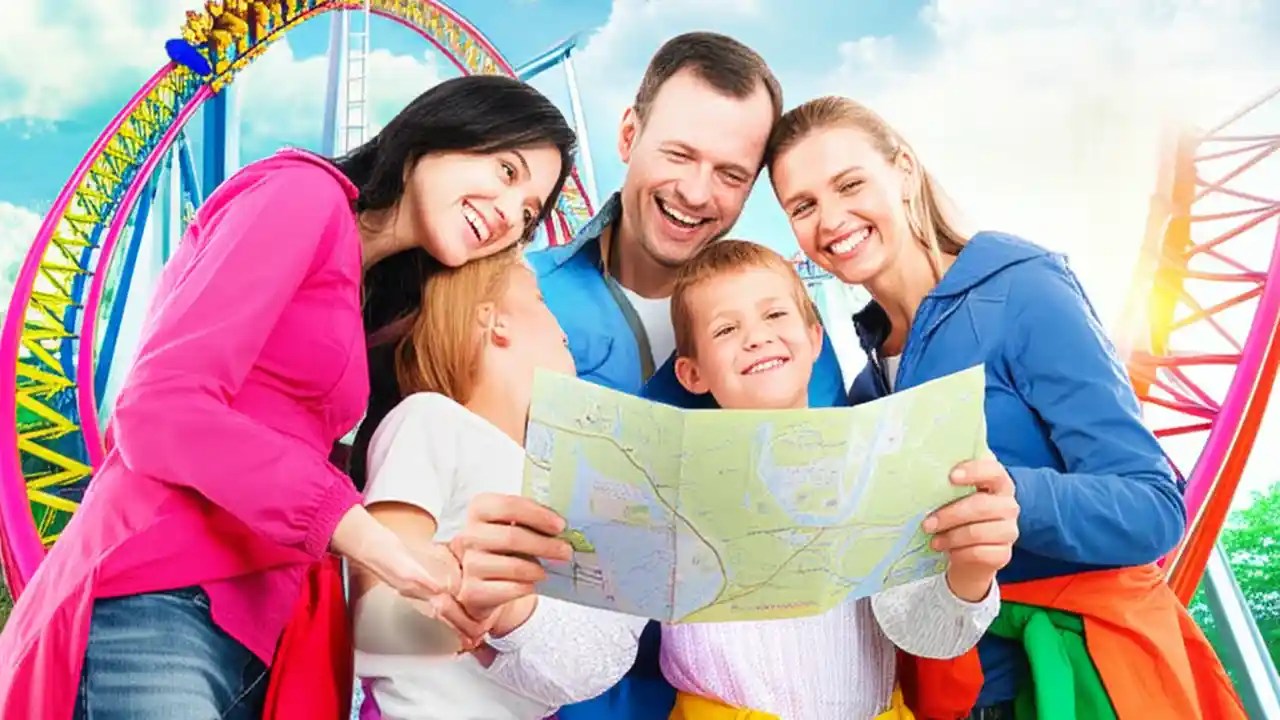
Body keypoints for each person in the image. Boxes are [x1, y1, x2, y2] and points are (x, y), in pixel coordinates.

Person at [0, 75, 577, 720]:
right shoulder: (303, 194)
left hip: (258, 636)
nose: (508, 210)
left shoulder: (368, 301)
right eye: (504, 170)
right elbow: (159, 410)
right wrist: (380, 544)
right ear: (440, 130)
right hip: (163, 593)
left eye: (529, 211)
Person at [767, 96, 1243, 719]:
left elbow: (1153, 506)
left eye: (849, 184)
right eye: (802, 207)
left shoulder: (1023, 288)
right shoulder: (862, 393)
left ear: (904, 171)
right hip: (957, 693)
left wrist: (1016, 500)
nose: (830, 220)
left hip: (1083, 682)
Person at [525, 31, 844, 719]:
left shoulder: (787, 335)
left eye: (731, 173)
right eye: (679, 154)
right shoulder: (517, 301)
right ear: (629, 132)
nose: (696, 193)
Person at [657, 238, 1013, 720]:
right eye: (726, 329)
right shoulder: (667, 491)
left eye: (775, 316)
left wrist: (971, 573)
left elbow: (929, 634)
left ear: (815, 338)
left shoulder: (874, 468)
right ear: (692, 373)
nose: (757, 337)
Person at [352, 247, 646, 720]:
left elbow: (574, 662)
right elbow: (369, 623)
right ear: (494, 320)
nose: (561, 326)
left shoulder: (553, 478)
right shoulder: (429, 419)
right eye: (540, 299)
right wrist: (466, 609)